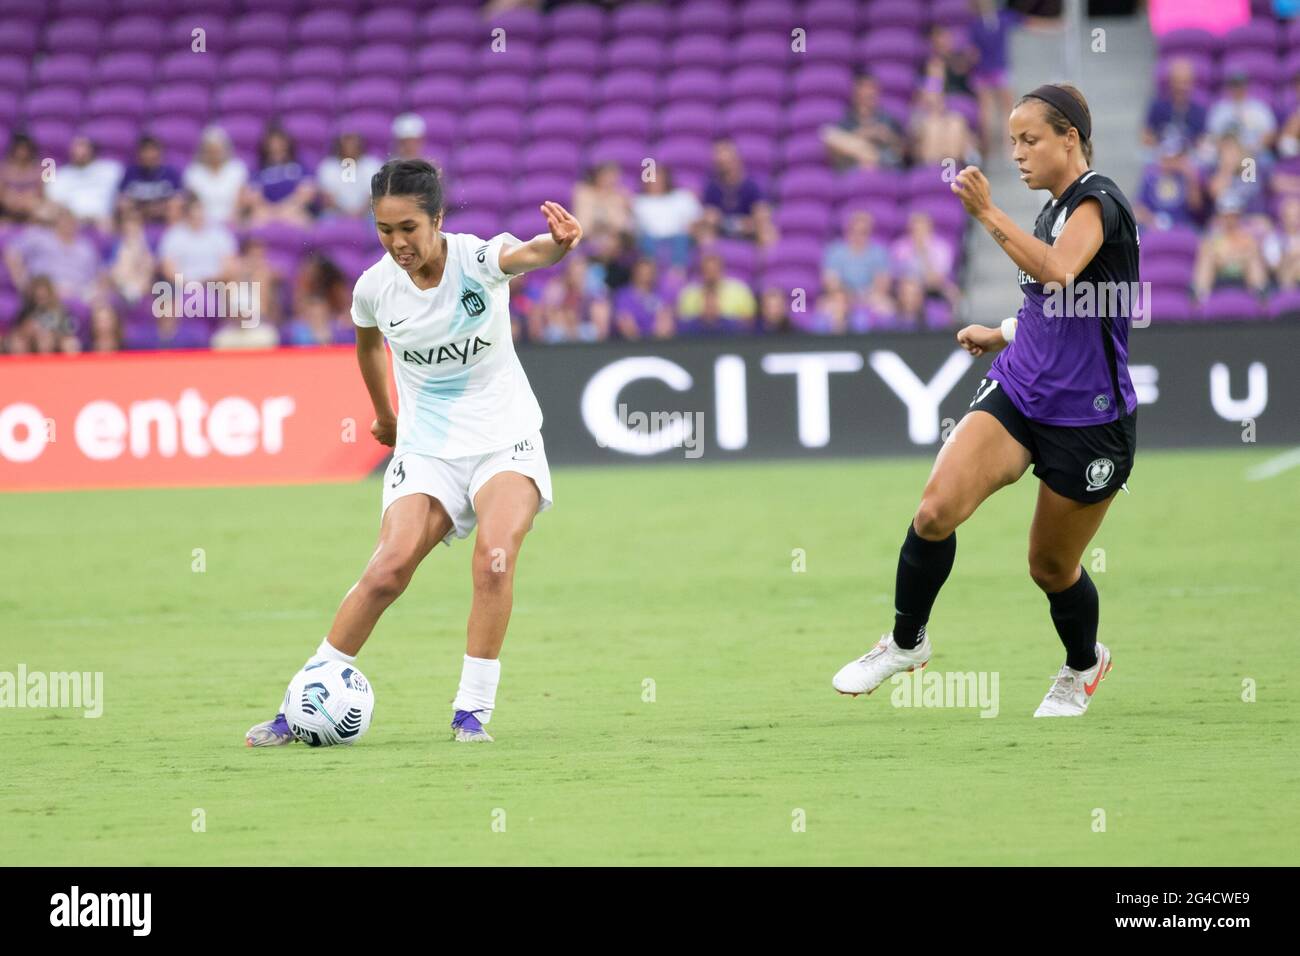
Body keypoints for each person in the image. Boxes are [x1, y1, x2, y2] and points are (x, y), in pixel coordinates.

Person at [245, 159, 583, 747]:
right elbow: (369, 346)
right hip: (428, 447)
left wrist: (558, 245)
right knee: (387, 569)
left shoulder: (476, 261)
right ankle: (296, 708)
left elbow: (526, 255)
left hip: (506, 439)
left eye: (409, 228)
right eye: (384, 229)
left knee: (494, 557)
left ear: (438, 220)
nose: (397, 242)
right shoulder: (374, 288)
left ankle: (471, 713)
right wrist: (383, 413)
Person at [833, 83, 1138, 718]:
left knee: (1050, 567)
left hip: (1090, 418)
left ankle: (1084, 665)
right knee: (934, 511)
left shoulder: (1098, 202)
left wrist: (985, 214)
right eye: (1012, 142)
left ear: (1070, 139)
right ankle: (905, 641)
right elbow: (1056, 308)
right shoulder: (1052, 208)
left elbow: (1059, 273)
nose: (1018, 154)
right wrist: (1002, 332)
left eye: (1030, 140)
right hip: (1022, 389)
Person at [182, 126, 248, 225]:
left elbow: (241, 201)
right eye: (210, 150)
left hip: (232, 221)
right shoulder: (193, 172)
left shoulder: (237, 169)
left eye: (217, 150)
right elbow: (193, 203)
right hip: (201, 222)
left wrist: (231, 220)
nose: (214, 154)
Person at [117, 135, 181, 223]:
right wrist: (145, 210)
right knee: (124, 206)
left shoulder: (171, 174)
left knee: (175, 206)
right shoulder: (131, 173)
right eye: (145, 151)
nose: (149, 155)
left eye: (152, 150)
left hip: (164, 217)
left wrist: (158, 209)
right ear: (139, 154)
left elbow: (178, 200)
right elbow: (122, 200)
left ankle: (173, 235)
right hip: (138, 217)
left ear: (160, 153)